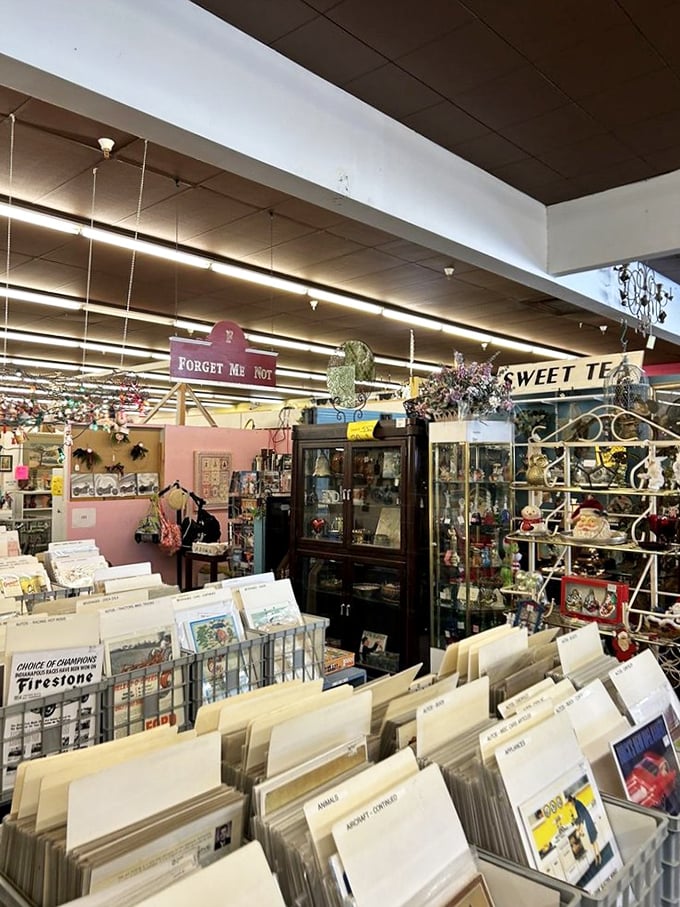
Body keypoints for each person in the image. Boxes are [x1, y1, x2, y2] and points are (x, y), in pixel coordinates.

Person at [567, 793, 601, 866]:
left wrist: (580, 829)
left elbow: (581, 817)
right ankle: (598, 856)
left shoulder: (577, 805)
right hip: (588, 821)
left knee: (592, 841)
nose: (571, 805)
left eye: (570, 803)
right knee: (593, 841)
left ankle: (597, 858)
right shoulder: (578, 803)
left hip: (587, 823)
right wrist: (577, 823)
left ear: (571, 801)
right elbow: (580, 816)